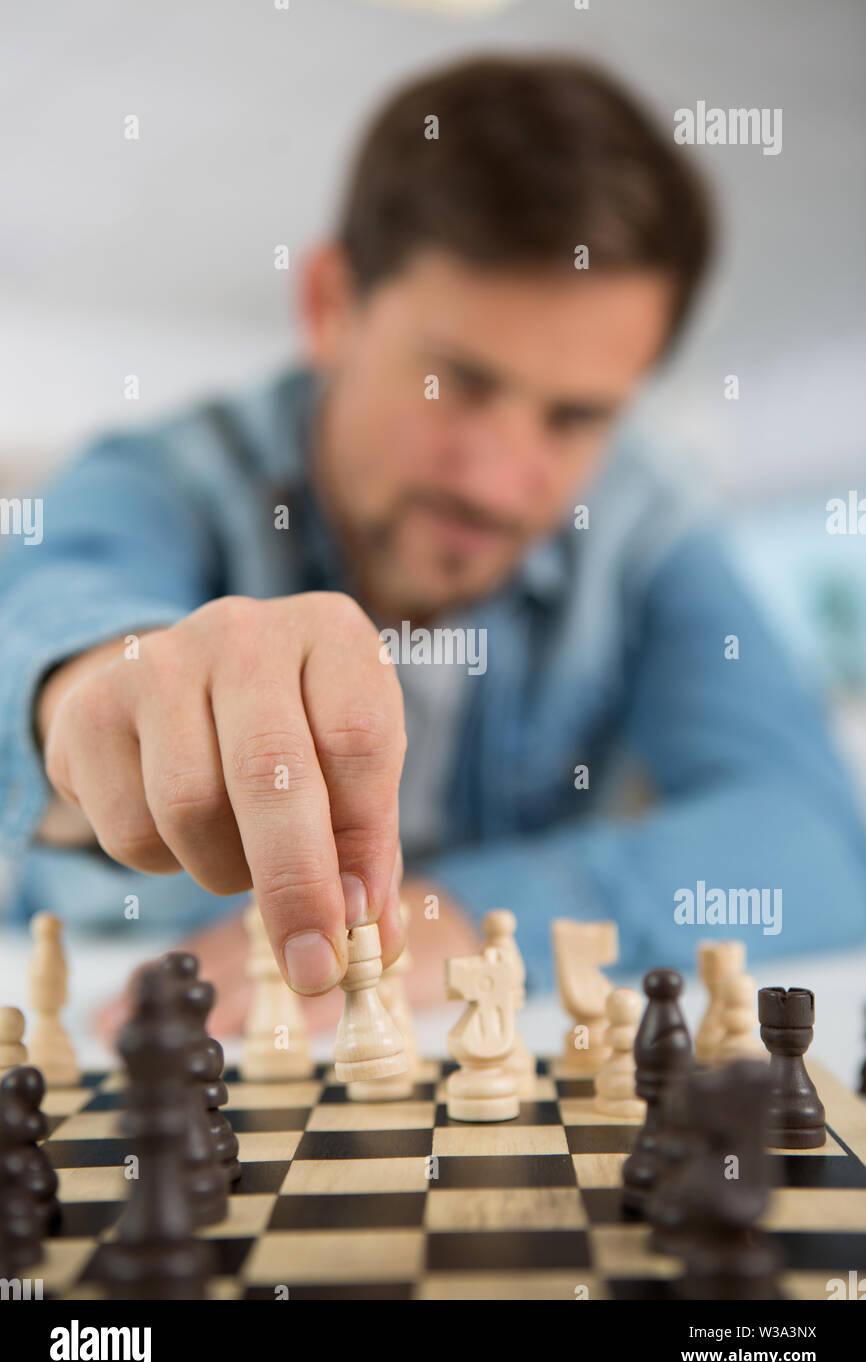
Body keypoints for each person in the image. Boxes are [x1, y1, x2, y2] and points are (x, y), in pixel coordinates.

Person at [1, 55, 864, 1040]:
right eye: (457, 383)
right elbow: (45, 622)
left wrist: (465, 918)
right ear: (330, 304)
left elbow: (811, 843)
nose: (496, 480)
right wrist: (92, 701)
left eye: (575, 417)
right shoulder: (162, 478)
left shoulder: (645, 523)